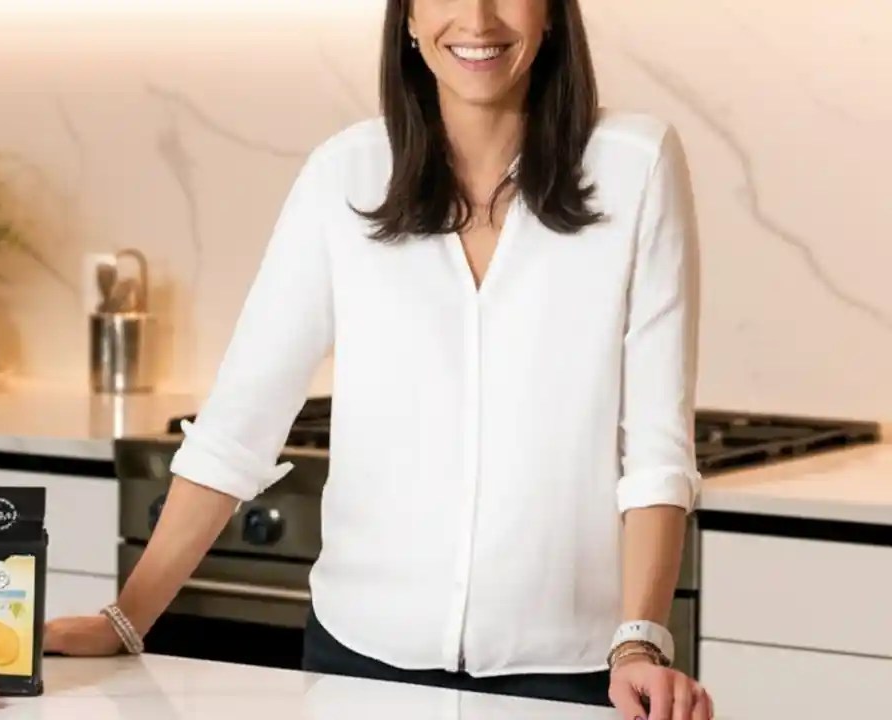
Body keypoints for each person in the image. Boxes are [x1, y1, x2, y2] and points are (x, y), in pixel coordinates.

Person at [47, 0, 711, 718]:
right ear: (410, 18)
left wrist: (640, 642)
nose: (478, 19)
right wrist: (126, 619)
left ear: (551, 12)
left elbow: (655, 449)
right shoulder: (344, 175)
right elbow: (240, 423)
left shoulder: (635, 165)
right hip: (358, 671)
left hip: (573, 674)